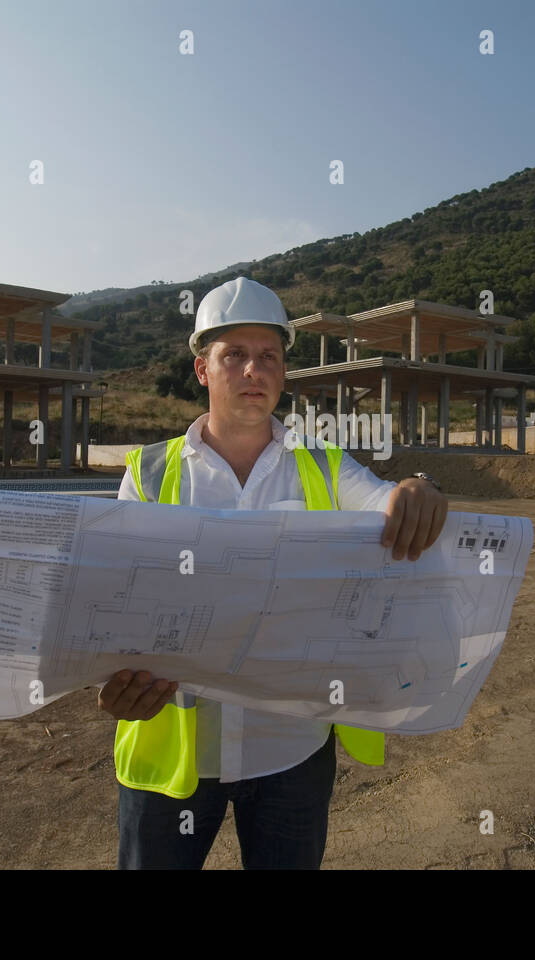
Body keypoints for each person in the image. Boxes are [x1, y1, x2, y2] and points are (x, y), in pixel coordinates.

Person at [99, 276, 448, 869]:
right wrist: (106, 680)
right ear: (202, 370)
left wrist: (422, 488)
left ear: (284, 373)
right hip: (178, 756)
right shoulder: (150, 474)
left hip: (293, 754)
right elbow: (111, 599)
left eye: (269, 357)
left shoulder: (325, 467)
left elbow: (391, 506)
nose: (253, 370)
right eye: (234, 354)